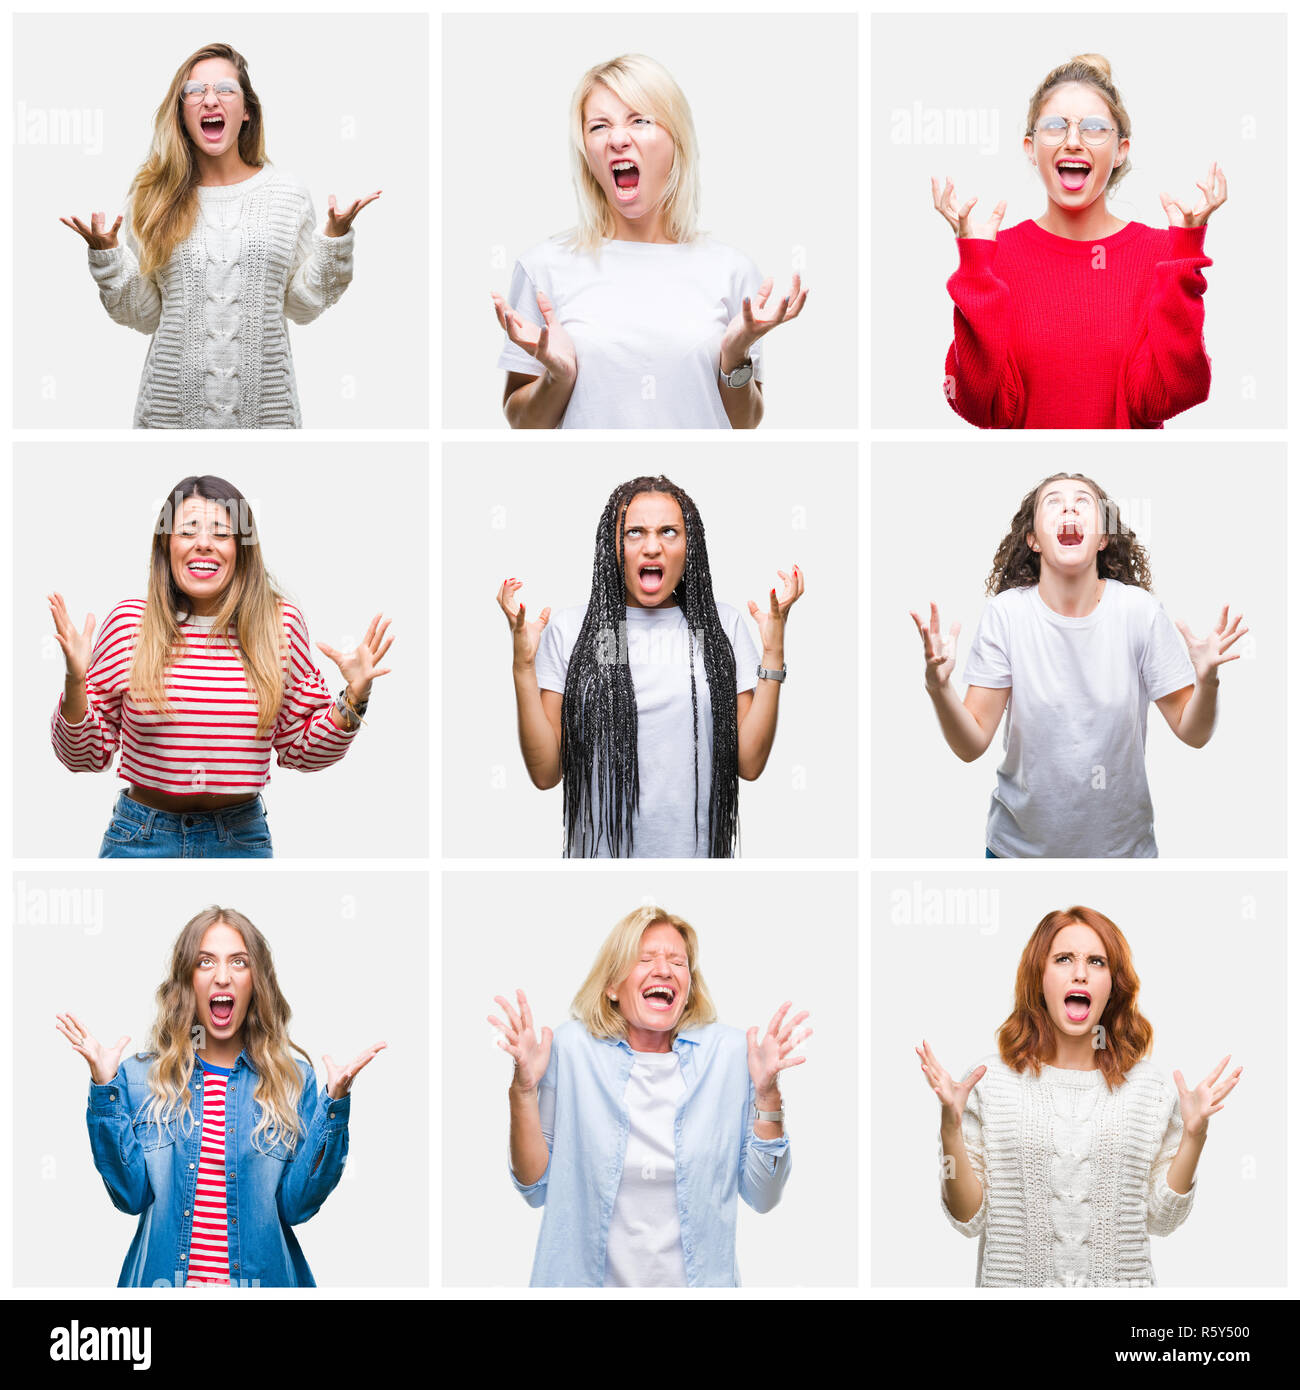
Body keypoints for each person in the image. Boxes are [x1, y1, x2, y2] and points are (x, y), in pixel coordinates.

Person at [49, 474, 393, 857]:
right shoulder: (131, 623)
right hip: (139, 838)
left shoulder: (278, 625)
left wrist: (355, 697)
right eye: (188, 531)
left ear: (241, 549)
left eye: (221, 533)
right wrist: (74, 682)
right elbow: (82, 757)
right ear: (166, 545)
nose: (203, 545)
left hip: (240, 838)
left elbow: (301, 750)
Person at [909, 471, 1244, 857]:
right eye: (1053, 501)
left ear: (1103, 538)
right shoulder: (1007, 615)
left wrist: (1208, 682)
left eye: (1084, 501)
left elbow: (1193, 732)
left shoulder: (1140, 613)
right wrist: (938, 687)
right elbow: (971, 743)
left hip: (1123, 855)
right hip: (1016, 854)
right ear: (1032, 539)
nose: (1069, 505)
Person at [57, 905, 386, 1287]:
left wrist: (334, 1104)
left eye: (240, 962)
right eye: (206, 962)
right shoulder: (140, 1077)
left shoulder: (292, 1079)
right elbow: (129, 1197)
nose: (223, 977)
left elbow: (297, 1206)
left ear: (256, 982)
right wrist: (105, 1089)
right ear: (187, 980)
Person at [917, 905, 1240, 1288]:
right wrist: (949, 1130)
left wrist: (1194, 1137)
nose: (1081, 973)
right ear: (1039, 978)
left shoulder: (1148, 1089)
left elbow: (1162, 1219)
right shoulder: (989, 1082)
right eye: (1064, 959)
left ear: (1113, 986)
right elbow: (968, 1219)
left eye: (1097, 962)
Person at [61, 42, 379, 428]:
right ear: (181, 112)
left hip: (267, 419)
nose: (209, 99)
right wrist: (108, 257)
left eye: (225, 89)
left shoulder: (287, 195)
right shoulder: (154, 198)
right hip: (168, 419)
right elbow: (146, 317)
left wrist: (335, 240)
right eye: (195, 91)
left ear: (247, 111)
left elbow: (302, 306)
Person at [489, 905, 810, 1287]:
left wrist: (767, 1094)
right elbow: (534, 1188)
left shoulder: (730, 1055)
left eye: (678, 961)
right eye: (645, 959)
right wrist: (523, 1090)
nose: (664, 969)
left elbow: (764, 1195)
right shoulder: (570, 1048)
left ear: (688, 988)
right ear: (611, 986)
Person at [492, 53, 806, 429]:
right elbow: (522, 422)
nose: (617, 139)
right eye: (599, 127)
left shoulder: (732, 270)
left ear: (676, 139)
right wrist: (560, 376)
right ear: (587, 154)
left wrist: (735, 355)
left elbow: (745, 422)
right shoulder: (542, 268)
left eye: (639, 120)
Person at [496, 474, 803, 857]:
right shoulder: (572, 629)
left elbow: (750, 763)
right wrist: (523, 667)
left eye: (669, 532)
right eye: (635, 532)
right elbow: (545, 775)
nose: (653, 546)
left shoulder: (722, 626)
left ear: (690, 547)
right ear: (613, 545)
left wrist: (773, 652)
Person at [932, 53, 1223, 428]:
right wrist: (975, 269)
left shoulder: (1161, 256)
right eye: (1055, 126)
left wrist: (1185, 256)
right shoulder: (994, 258)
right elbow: (977, 404)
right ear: (1029, 149)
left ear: (1120, 150)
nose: (1072, 141)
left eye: (1095, 128)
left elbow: (1176, 392)